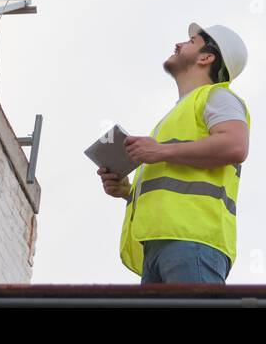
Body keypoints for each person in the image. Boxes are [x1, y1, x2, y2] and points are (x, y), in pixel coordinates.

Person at [99, 22, 250, 284]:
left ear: (206, 57)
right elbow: (176, 179)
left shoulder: (217, 97)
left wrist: (160, 150)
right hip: (159, 246)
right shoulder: (176, 115)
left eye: (191, 42)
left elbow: (235, 146)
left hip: (193, 241)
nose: (179, 44)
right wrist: (128, 191)